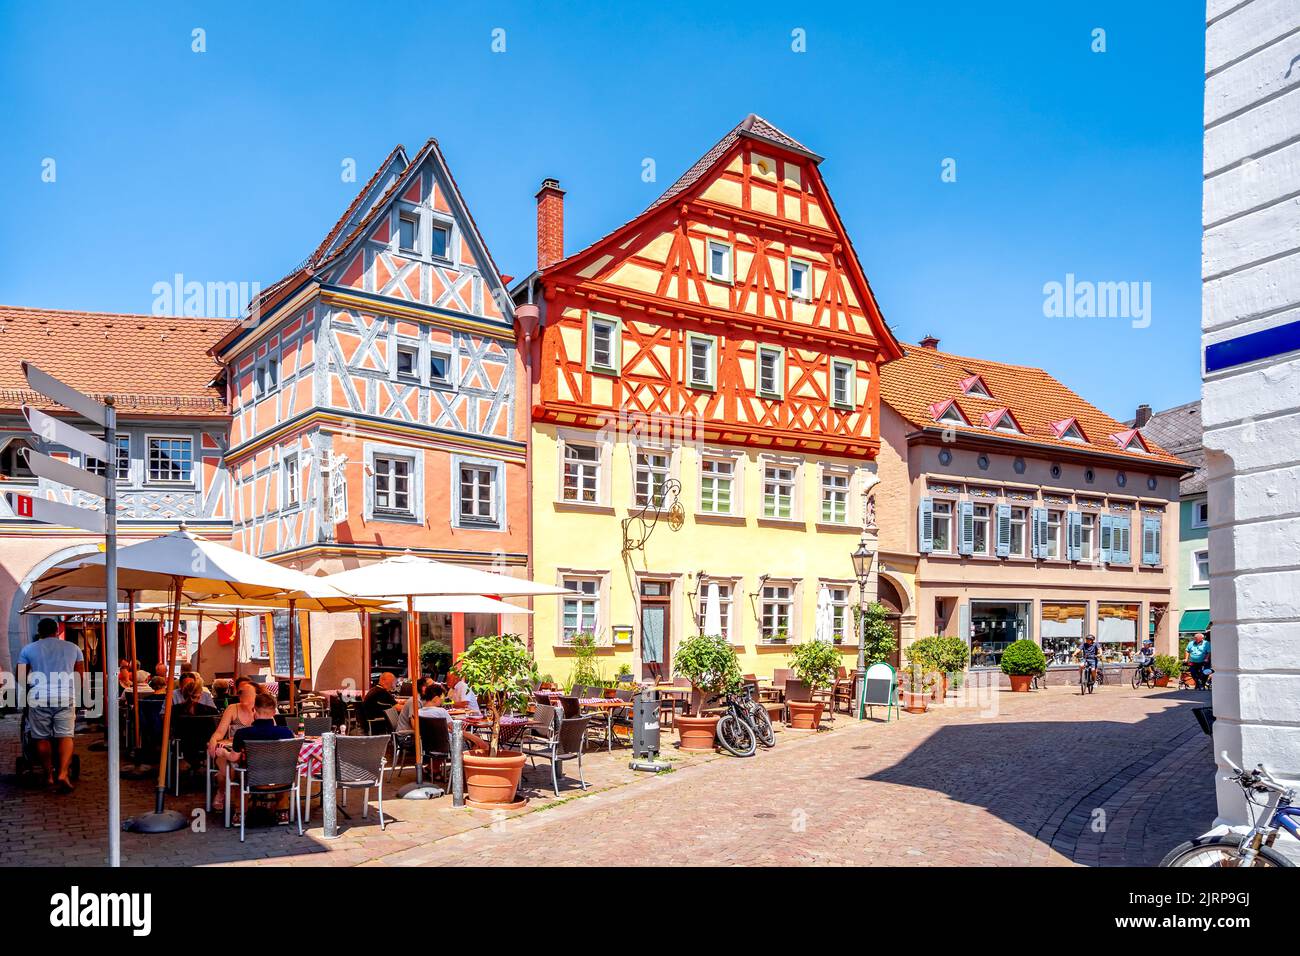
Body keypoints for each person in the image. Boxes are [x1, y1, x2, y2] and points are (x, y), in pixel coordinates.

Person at [16, 618, 85, 794]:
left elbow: (21, 677)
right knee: (66, 735)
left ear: (39, 631)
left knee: (41, 737)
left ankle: (48, 774)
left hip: (39, 697)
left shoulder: (28, 649)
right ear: (57, 630)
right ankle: (63, 772)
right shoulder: (73, 648)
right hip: (65, 696)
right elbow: (79, 677)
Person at [207, 680, 259, 809]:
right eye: (241, 692)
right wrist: (213, 740)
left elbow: (270, 730)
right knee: (227, 769)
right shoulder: (232, 708)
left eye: (246, 692)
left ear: (256, 695)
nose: (242, 695)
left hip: (254, 752)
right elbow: (219, 732)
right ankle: (222, 791)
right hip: (232, 748)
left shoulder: (262, 710)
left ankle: (245, 801)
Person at [417, 682, 488, 750]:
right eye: (442, 698)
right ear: (435, 698)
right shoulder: (441, 711)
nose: (443, 700)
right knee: (476, 740)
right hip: (449, 745)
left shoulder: (418, 712)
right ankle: (473, 760)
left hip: (427, 745)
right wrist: (475, 738)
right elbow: (456, 730)